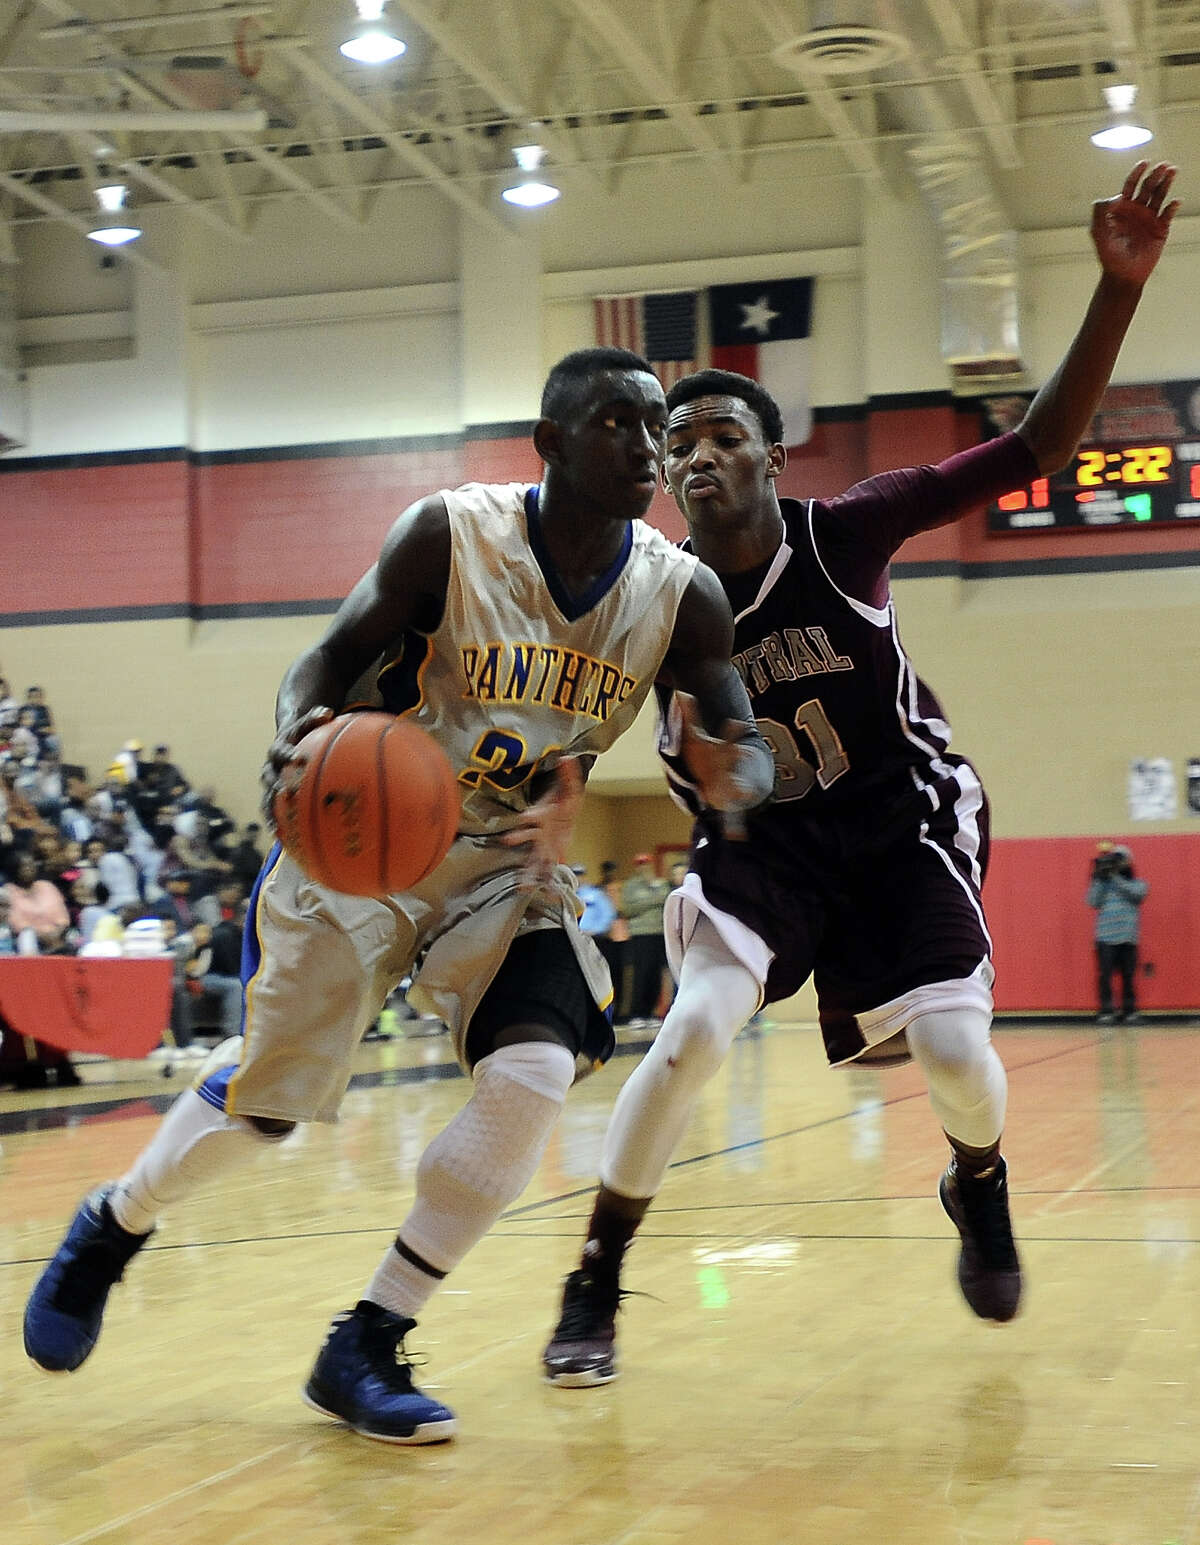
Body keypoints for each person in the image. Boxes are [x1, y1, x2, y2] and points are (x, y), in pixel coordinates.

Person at [24, 346, 774, 1446]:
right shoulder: (451, 533)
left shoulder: (679, 590)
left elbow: (742, 735)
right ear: (554, 443)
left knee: (538, 1067)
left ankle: (367, 1340)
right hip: (364, 849)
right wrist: (300, 739)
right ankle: (116, 1220)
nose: (646, 445)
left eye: (652, 424)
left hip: (504, 860)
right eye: (618, 422)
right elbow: (323, 659)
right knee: (269, 1112)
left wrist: (733, 784)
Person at [541, 161, 1179, 1385]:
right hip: (766, 844)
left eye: (724, 433)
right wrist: (561, 780)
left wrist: (1114, 290)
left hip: (897, 820)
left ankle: (977, 1181)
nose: (696, 453)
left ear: (774, 459)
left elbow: (1039, 444)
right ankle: (597, 1277)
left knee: (951, 1055)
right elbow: (576, 708)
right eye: (677, 441)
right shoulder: (649, 598)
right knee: (688, 1039)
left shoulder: (851, 530)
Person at [1087, 843, 1149, 1025]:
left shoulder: (1137, 883)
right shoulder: (1103, 883)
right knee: (1104, 977)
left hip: (1128, 938)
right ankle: (1106, 1011)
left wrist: (1115, 878)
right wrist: (1098, 879)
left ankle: (1129, 1012)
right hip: (1105, 938)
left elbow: (1138, 894)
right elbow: (1092, 901)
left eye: (1120, 860)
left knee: (1128, 976)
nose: (1116, 864)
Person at [619, 852, 671, 1027]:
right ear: (636, 866)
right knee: (641, 973)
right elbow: (630, 908)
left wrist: (651, 898)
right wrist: (654, 899)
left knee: (656, 974)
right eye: (640, 863)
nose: (644, 867)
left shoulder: (661, 883)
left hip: (658, 933)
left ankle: (650, 1013)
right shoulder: (631, 886)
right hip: (640, 934)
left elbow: (666, 899)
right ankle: (637, 1013)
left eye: (646, 863)